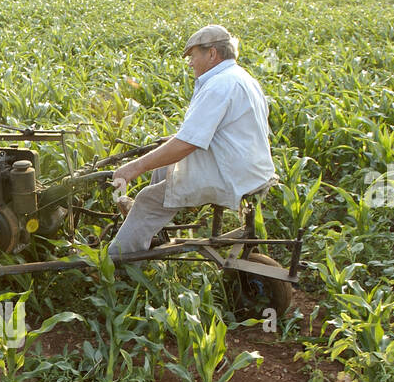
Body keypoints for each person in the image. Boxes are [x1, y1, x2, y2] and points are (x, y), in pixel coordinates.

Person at [108, 24, 276, 256]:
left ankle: (115, 266)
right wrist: (171, 144)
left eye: (193, 55)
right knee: (164, 169)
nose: (190, 62)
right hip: (248, 166)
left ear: (212, 54)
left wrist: (133, 168)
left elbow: (187, 143)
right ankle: (147, 232)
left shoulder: (219, 85)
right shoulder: (240, 77)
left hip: (232, 174)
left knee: (147, 200)